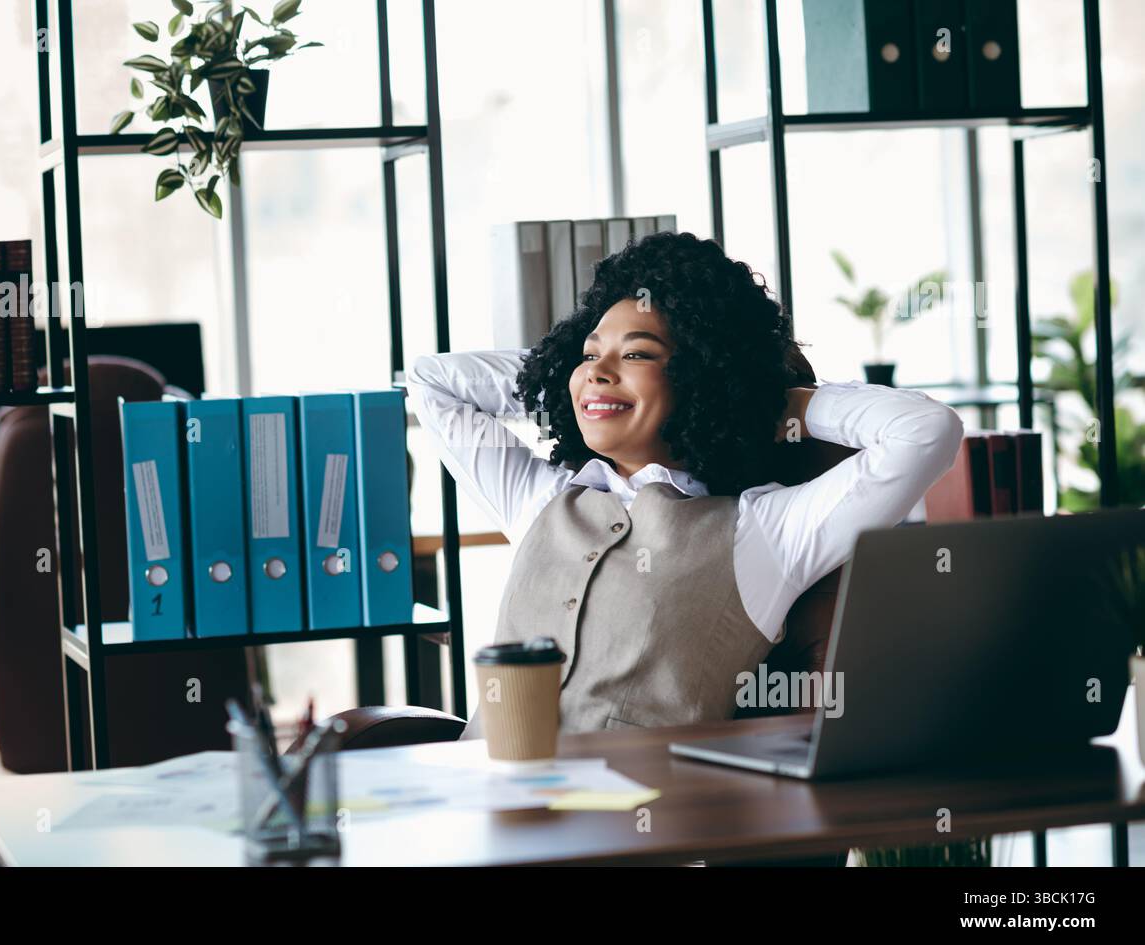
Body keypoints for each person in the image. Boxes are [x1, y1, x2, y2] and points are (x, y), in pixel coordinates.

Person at [409, 231, 964, 736]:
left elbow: (924, 432)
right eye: (589, 353)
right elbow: (432, 383)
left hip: (639, 829)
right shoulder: (542, 500)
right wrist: (558, 371)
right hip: (485, 811)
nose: (599, 371)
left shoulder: (763, 534)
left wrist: (765, 396)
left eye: (637, 354)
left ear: (700, 379)